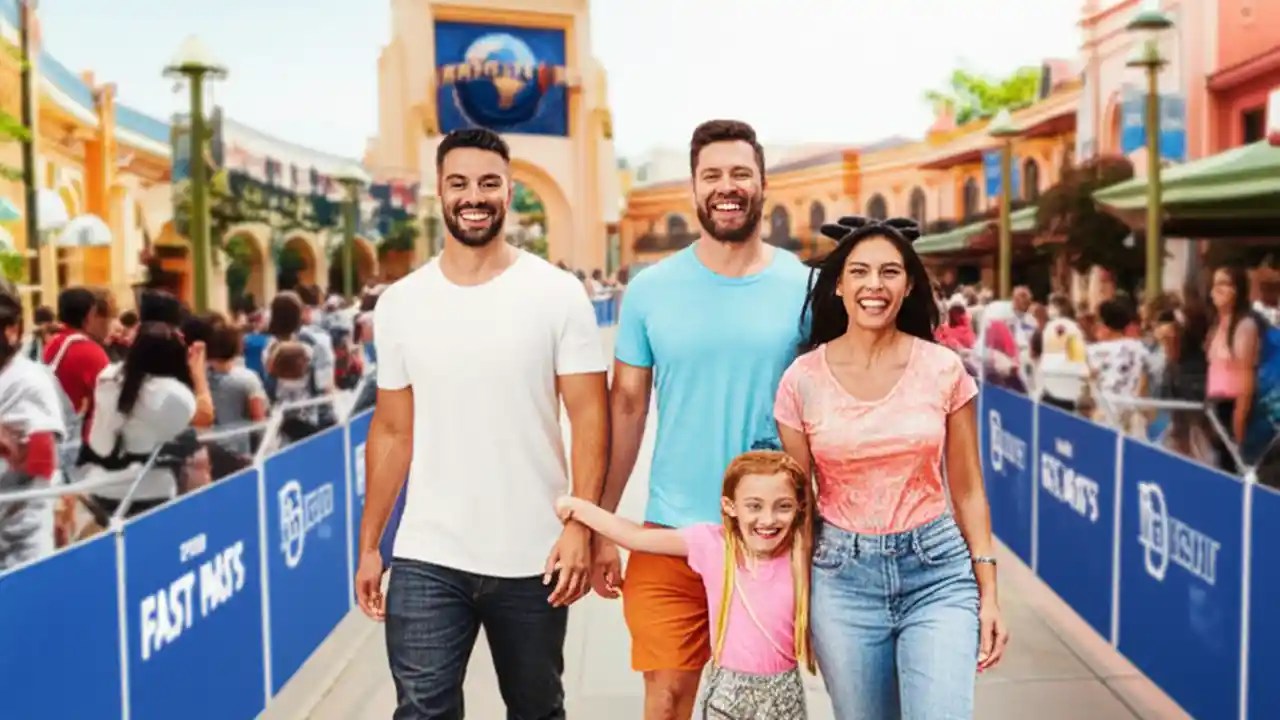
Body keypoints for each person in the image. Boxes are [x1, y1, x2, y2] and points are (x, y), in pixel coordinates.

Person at [354, 127, 608, 720]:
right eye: (459, 183)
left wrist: (581, 527)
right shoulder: (401, 304)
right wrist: (370, 545)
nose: (475, 196)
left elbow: (590, 413)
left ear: (510, 191)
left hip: (532, 555)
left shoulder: (555, 293)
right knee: (421, 711)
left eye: (489, 183)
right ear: (439, 194)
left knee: (536, 709)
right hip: (428, 552)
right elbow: (392, 431)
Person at [596, 119, 812, 719]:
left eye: (740, 173)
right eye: (712, 175)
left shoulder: (806, 287)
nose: (727, 186)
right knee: (666, 702)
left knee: (765, 707)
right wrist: (603, 526)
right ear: (693, 188)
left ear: (763, 184)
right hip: (673, 534)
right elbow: (627, 407)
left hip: (772, 540)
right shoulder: (650, 290)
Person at [774, 216, 1008, 719]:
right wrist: (800, 603)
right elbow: (802, 507)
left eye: (889, 272)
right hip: (842, 581)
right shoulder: (801, 380)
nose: (873, 286)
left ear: (908, 286)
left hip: (938, 575)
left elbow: (967, 490)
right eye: (858, 272)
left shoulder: (943, 368)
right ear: (838, 285)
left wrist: (988, 592)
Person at [558, 450, 813, 719]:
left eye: (783, 506)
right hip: (727, 691)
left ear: (799, 508)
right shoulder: (713, 545)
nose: (768, 519)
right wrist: (578, 508)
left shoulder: (799, 554)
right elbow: (635, 538)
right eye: (754, 506)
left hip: (784, 692)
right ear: (730, 506)